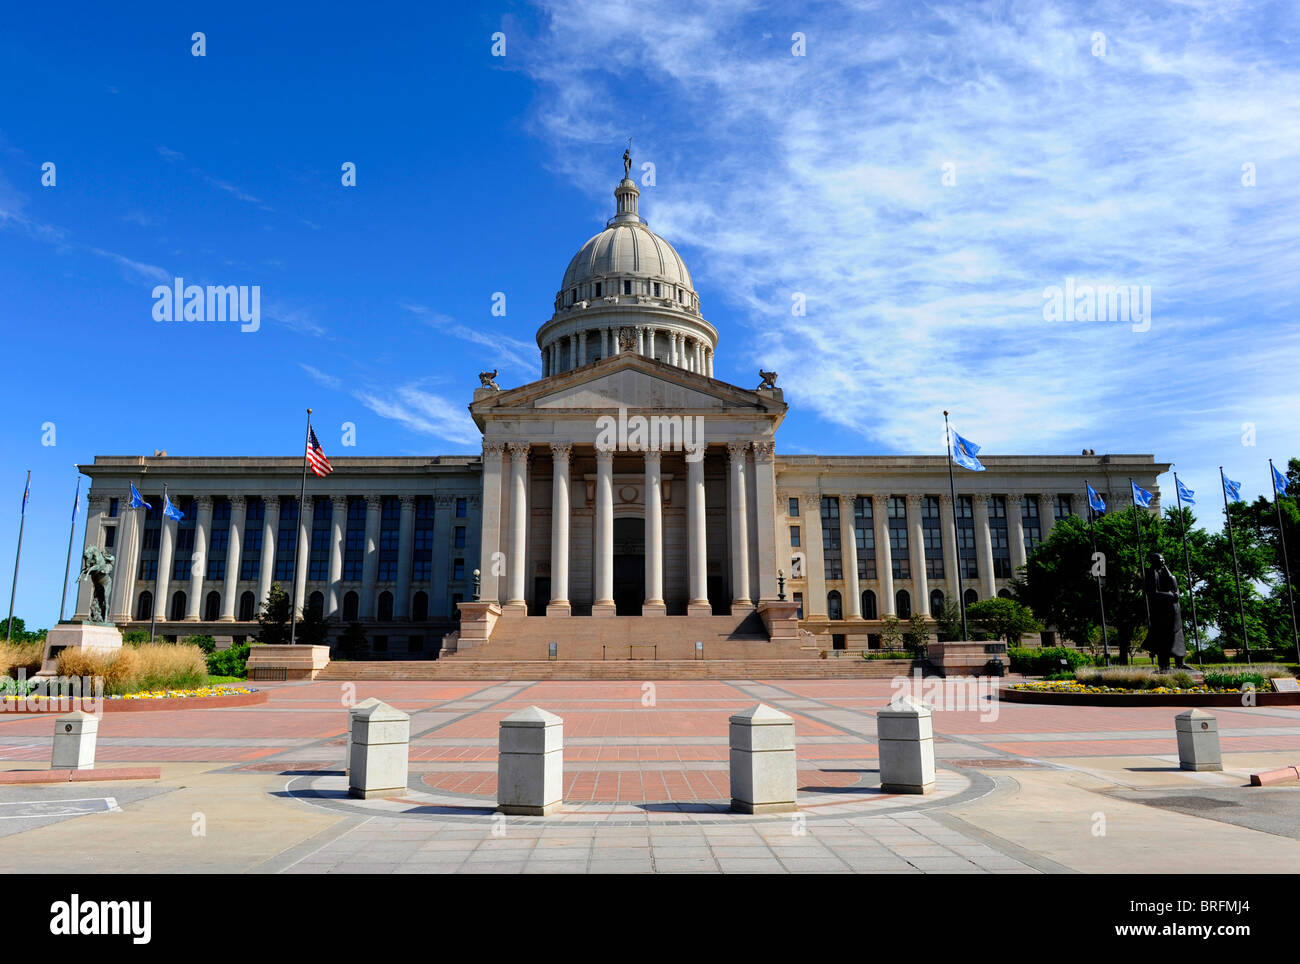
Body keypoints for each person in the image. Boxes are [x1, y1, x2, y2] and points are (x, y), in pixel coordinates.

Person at [1145, 552, 1186, 671]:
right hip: (1161, 612)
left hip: (1173, 611)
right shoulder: (1151, 574)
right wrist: (1170, 595)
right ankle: (1164, 665)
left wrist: (1175, 593)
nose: (1162, 562)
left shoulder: (1165, 572)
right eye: (1159, 560)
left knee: (1178, 636)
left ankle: (1180, 662)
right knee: (1163, 638)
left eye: (1163, 559)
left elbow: (1173, 583)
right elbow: (1152, 593)